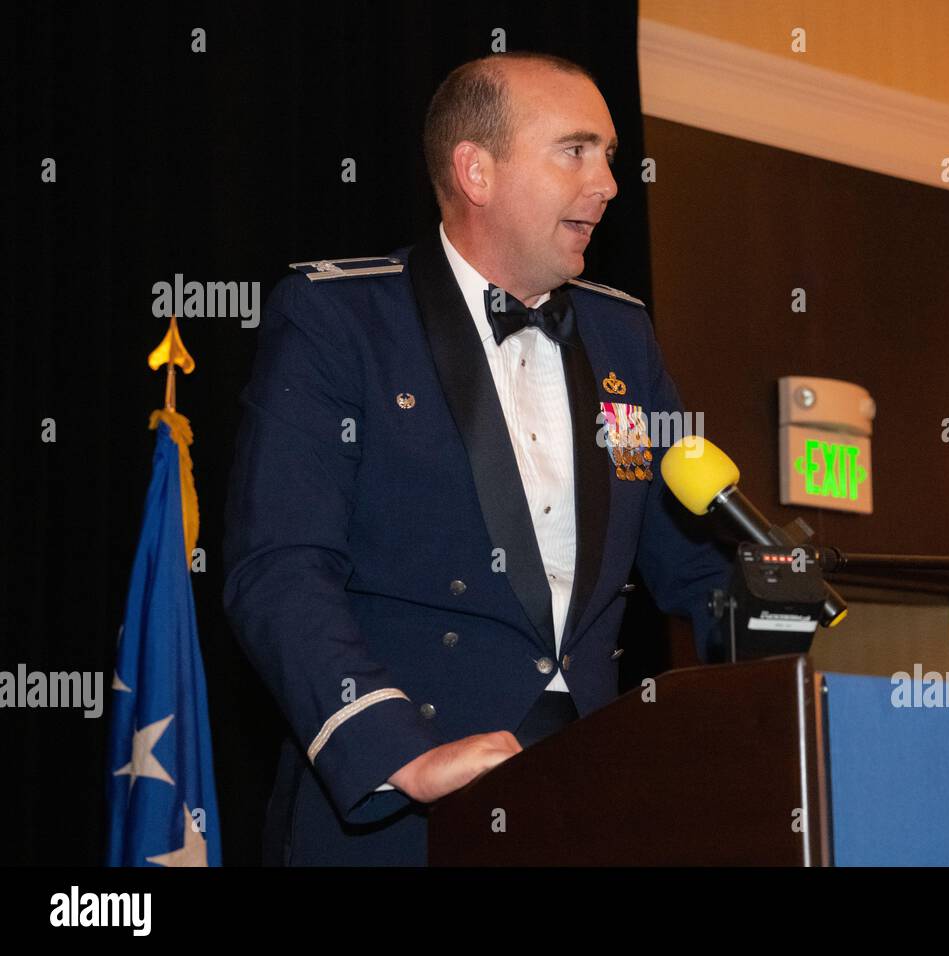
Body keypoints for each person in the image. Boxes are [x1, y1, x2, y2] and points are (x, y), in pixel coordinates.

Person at [222, 50, 733, 866]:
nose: (606, 182)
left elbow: (698, 567)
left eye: (607, 153)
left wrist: (778, 634)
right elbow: (279, 568)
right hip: (404, 816)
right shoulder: (338, 319)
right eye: (575, 151)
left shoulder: (621, 336)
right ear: (476, 171)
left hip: (600, 802)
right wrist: (396, 751)